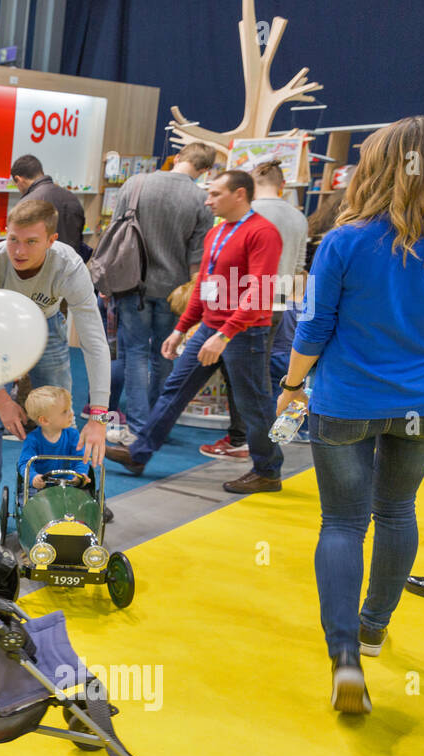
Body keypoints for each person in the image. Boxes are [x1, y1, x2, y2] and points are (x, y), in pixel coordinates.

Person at [275, 116, 424, 714]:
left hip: (347, 401)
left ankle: (344, 657)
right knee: (398, 511)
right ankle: (374, 628)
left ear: (376, 168)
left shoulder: (344, 240)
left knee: (342, 524)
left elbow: (315, 326)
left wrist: (291, 384)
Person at [106, 170, 284, 494]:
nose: (207, 200)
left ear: (240, 194)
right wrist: (181, 328)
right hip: (211, 328)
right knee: (174, 390)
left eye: (216, 194)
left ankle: (268, 470)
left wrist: (226, 334)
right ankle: (139, 453)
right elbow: (203, 286)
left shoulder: (263, 233)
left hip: (244, 334)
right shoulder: (215, 234)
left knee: (253, 404)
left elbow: (258, 291)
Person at [0, 198, 112, 539]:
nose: (19, 250)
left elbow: (94, 342)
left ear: (51, 239)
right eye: (13, 239)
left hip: (47, 329)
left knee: (60, 414)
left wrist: (99, 416)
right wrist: (1, 399)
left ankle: (68, 490)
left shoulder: (70, 268)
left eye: (31, 241)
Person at [206, 158, 309, 460]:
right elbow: (299, 267)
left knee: (241, 376)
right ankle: (259, 440)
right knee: (257, 373)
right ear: (282, 184)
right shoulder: (298, 217)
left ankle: (245, 440)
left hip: (238, 303)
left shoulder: (247, 216)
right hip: (277, 302)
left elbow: (219, 261)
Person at [109, 143, 216, 435]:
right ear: (205, 170)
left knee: (134, 353)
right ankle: (155, 423)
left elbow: (115, 233)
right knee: (165, 353)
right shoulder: (202, 199)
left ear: (177, 158)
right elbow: (198, 257)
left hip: (132, 284)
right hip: (175, 291)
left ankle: (138, 423)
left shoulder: (136, 184)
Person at [16, 386, 90, 490]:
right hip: (41, 486)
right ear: (45, 420)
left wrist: (79, 475)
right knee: (29, 500)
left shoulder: (73, 435)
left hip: (68, 484)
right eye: (65, 411)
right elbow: (24, 463)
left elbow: (81, 459)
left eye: (70, 408)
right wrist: (33, 477)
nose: (72, 413)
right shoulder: (33, 440)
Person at [12, 154, 86, 256]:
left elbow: (20, 244)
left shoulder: (26, 204)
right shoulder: (72, 197)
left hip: (40, 267)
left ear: (19, 179)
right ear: (40, 172)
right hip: (71, 265)